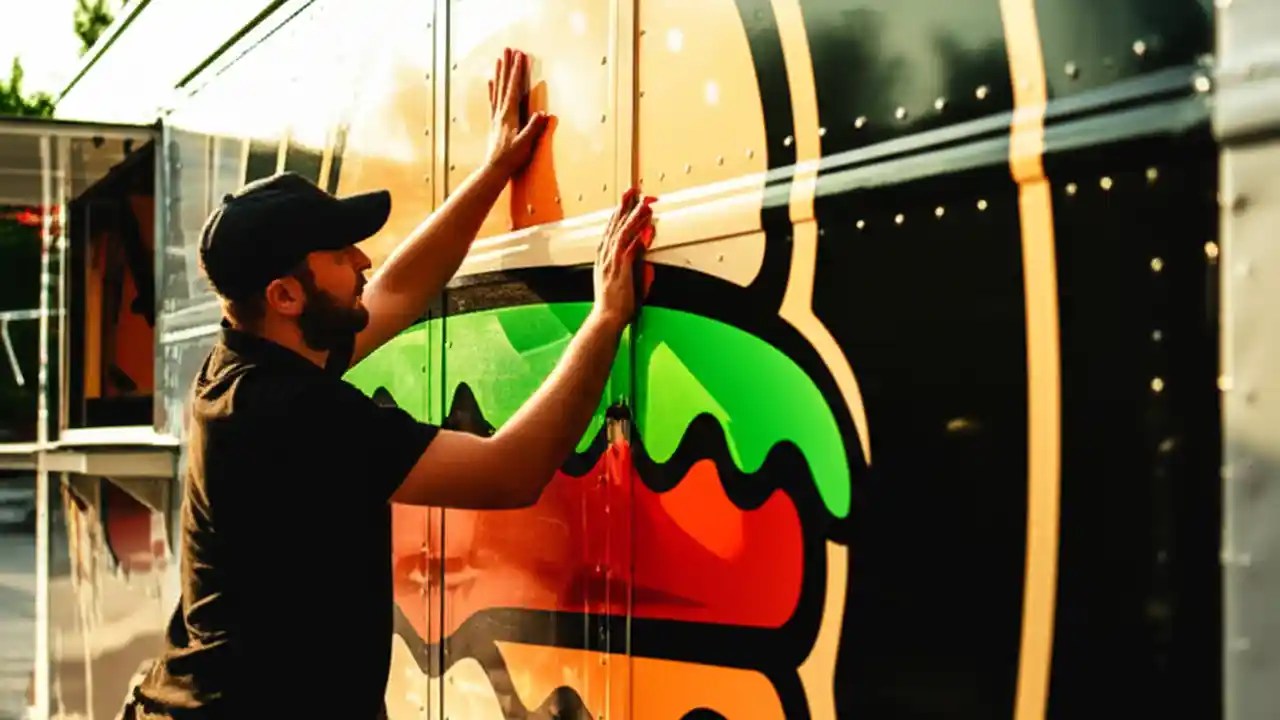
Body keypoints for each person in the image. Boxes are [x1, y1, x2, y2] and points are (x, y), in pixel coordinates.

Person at [120, 47, 654, 719]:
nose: (363, 260)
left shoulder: (244, 365)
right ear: (285, 295)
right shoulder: (290, 415)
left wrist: (493, 170)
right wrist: (606, 318)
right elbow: (509, 473)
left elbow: (399, 289)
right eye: (341, 254)